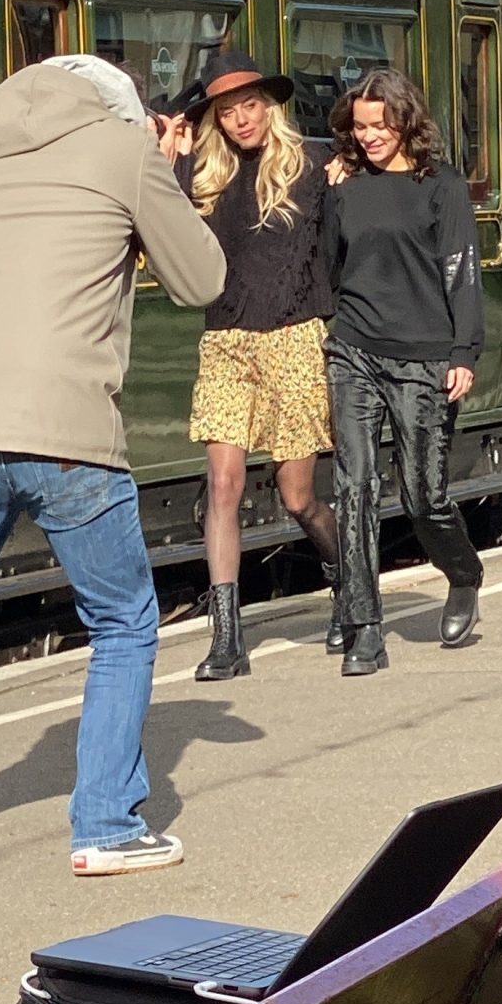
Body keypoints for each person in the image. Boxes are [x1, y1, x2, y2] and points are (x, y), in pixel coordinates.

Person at [0, 54, 225, 875]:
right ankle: (104, 825)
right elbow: (203, 277)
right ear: (127, 111)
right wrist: (159, 172)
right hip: (63, 422)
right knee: (124, 620)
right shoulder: (125, 151)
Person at [159, 52, 339, 680]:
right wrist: (172, 147)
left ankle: (345, 578)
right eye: (227, 111)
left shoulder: (314, 167)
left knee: (297, 497)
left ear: (271, 106)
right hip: (227, 343)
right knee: (224, 487)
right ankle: (227, 639)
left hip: (294, 340)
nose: (241, 120)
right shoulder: (202, 177)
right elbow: (155, 222)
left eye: (251, 106)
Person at [322, 69, 484, 677]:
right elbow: (328, 267)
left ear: (405, 121)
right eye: (359, 127)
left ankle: (463, 573)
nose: (368, 137)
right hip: (355, 349)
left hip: (424, 355)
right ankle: (364, 623)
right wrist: (328, 200)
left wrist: (464, 353)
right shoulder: (345, 185)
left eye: (379, 125)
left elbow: (461, 273)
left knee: (423, 495)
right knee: (354, 486)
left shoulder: (440, 187)